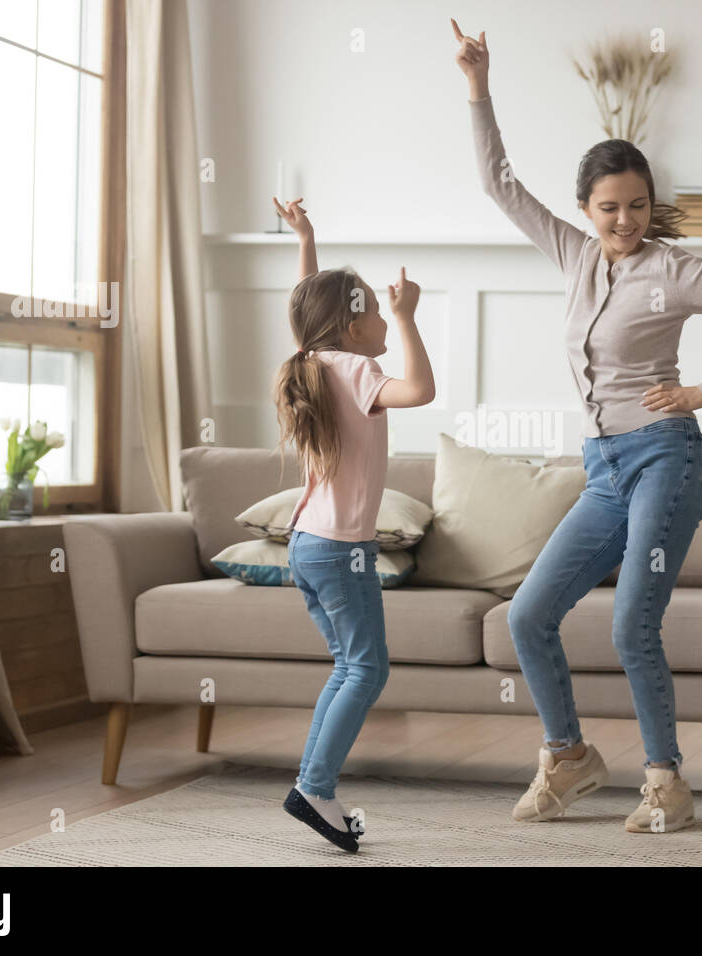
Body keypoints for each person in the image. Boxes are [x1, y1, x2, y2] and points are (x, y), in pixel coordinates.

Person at [451, 20, 702, 833]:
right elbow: (499, 184)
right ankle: (567, 755)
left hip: (666, 462)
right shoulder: (572, 255)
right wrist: (477, 87)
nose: (626, 220)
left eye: (638, 206)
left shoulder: (672, 269)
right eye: (610, 208)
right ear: (585, 208)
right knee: (529, 614)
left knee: (630, 618)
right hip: (602, 470)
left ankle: (667, 781)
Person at [270, 195, 436, 851]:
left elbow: (307, 309)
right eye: (373, 304)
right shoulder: (359, 370)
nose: (383, 308)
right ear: (353, 324)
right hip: (344, 551)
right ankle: (315, 787)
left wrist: (306, 239)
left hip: (307, 546)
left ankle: (313, 787)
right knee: (367, 670)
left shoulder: (313, 363)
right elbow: (420, 389)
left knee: (349, 666)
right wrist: (410, 317)